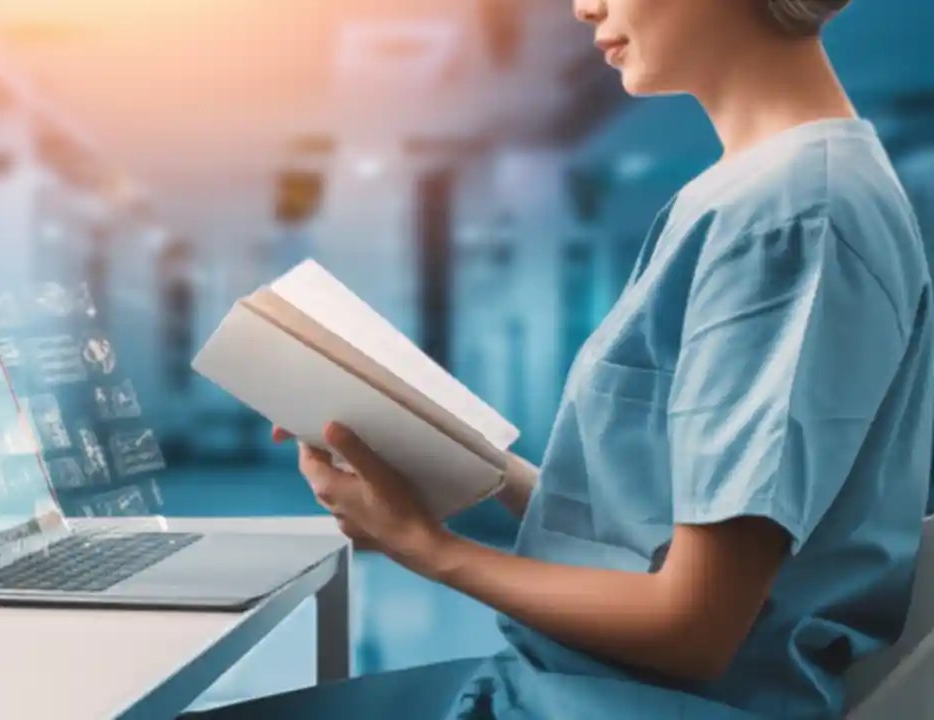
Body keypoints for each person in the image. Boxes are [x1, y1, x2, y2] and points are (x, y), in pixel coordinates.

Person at [186, 0, 931, 718]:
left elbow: (694, 627)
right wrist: (471, 464)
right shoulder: (752, 196)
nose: (581, 7)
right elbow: (651, 537)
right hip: (572, 686)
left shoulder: (794, 216)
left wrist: (425, 549)